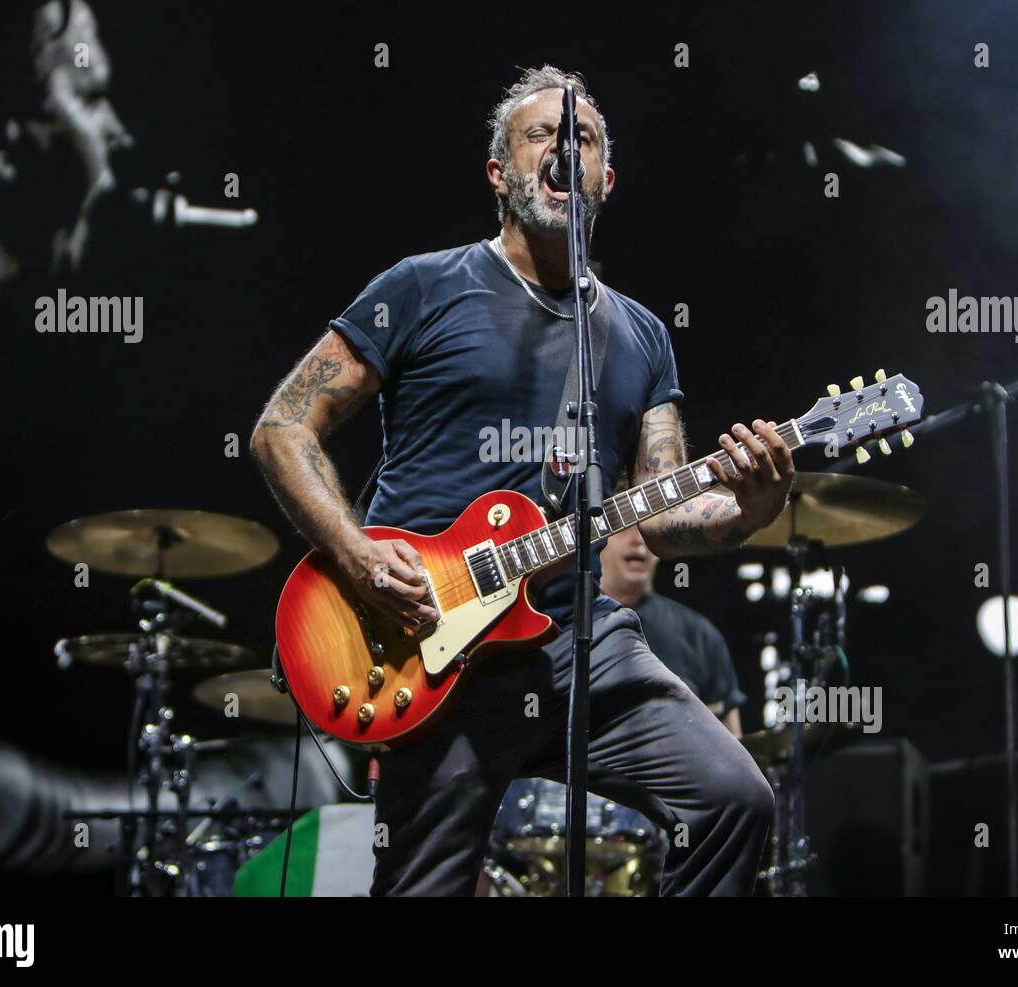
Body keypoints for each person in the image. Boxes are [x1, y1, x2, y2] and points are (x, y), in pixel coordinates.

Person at [250, 65, 794, 896]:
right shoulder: (423, 287)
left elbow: (667, 500)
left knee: (734, 798)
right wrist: (358, 555)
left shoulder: (640, 335)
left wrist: (750, 507)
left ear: (605, 179)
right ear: (499, 173)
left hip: (575, 637)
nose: (562, 147)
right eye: (541, 133)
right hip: (425, 640)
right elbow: (282, 426)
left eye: (582, 139)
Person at [600, 526, 746, 737]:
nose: (638, 540)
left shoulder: (699, 633)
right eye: (623, 528)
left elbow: (733, 740)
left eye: (646, 528)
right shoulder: (565, 628)